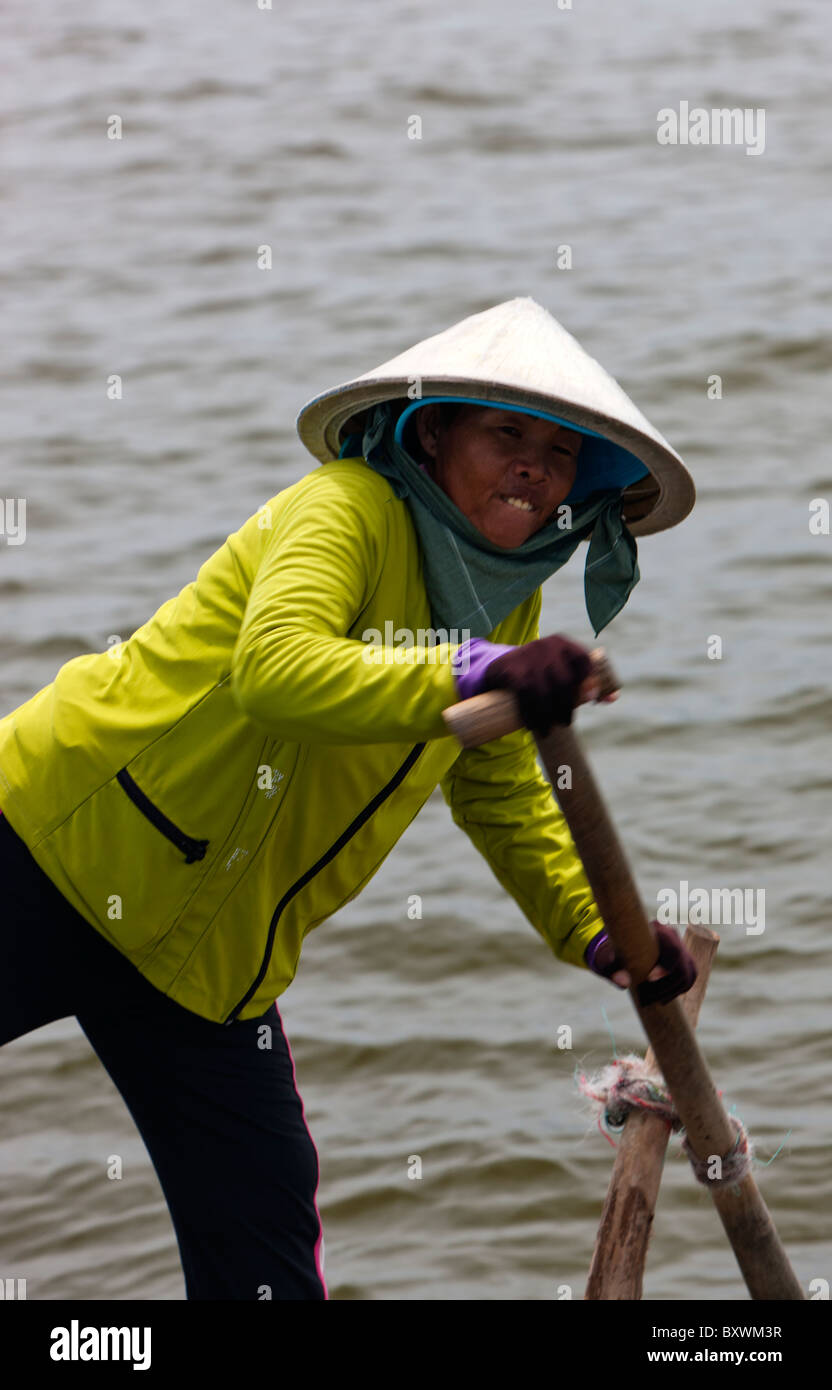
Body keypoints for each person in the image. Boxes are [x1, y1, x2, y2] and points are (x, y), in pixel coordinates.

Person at [0, 297, 698, 1301]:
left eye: (558, 455)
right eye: (505, 433)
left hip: (213, 960)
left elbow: (499, 787)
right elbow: (277, 670)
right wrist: (472, 669)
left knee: (264, 1254)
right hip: (53, 848)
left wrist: (600, 929)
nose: (532, 468)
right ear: (431, 432)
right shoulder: (345, 507)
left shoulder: (507, 598)